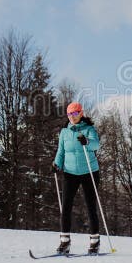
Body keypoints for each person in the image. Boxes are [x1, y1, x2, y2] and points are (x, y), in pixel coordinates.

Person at [52, 101, 101, 254]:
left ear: (81, 113)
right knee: (66, 206)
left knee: (90, 206)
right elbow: (61, 151)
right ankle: (64, 241)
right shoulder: (64, 132)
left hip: (89, 172)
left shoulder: (88, 129)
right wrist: (56, 164)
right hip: (70, 173)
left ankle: (94, 241)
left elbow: (96, 145)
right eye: (69, 114)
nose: (72, 117)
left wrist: (87, 141)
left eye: (75, 113)